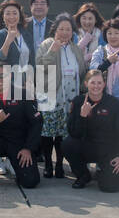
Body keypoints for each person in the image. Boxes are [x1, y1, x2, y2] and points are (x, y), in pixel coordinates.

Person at [34, 14, 85, 179]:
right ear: (55, 29)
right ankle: (48, 164)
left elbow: (82, 71)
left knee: (63, 132)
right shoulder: (46, 44)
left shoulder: (75, 48)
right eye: (61, 29)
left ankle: (59, 164)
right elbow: (41, 67)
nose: (64, 32)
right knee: (48, 132)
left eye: (68, 29)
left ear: (73, 32)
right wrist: (52, 51)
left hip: (70, 96)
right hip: (50, 94)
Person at [64, 69, 119, 191]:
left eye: (99, 83)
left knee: (110, 187)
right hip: (86, 146)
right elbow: (73, 133)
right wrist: (82, 116)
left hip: (108, 149)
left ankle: (104, 172)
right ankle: (83, 175)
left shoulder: (114, 103)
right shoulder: (78, 102)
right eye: (93, 83)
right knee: (67, 144)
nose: (96, 86)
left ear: (104, 84)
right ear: (86, 84)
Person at [88, 19, 119, 106]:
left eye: (116, 33)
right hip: (103, 98)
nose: (113, 36)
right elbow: (92, 69)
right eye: (109, 33)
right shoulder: (101, 50)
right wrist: (107, 62)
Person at [0, 0, 31, 80]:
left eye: (15, 13)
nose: (11, 16)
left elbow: (31, 60)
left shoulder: (26, 35)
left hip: (26, 81)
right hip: (8, 82)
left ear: (19, 16)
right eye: (8, 14)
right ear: (3, 17)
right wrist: (7, 41)